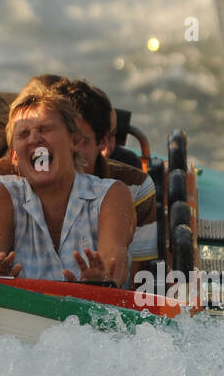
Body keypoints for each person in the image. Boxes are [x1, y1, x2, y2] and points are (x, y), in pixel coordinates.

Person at [0, 83, 135, 286]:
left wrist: (100, 281)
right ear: (14, 156)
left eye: (45, 129)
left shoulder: (112, 194)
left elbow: (113, 267)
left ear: (74, 141)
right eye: (24, 134)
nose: (34, 139)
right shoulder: (3, 196)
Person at [52, 79, 159, 278]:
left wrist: (101, 284)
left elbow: (141, 277)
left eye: (79, 141)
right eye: (58, 137)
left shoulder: (136, 187)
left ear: (102, 142)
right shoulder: (8, 176)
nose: (68, 149)